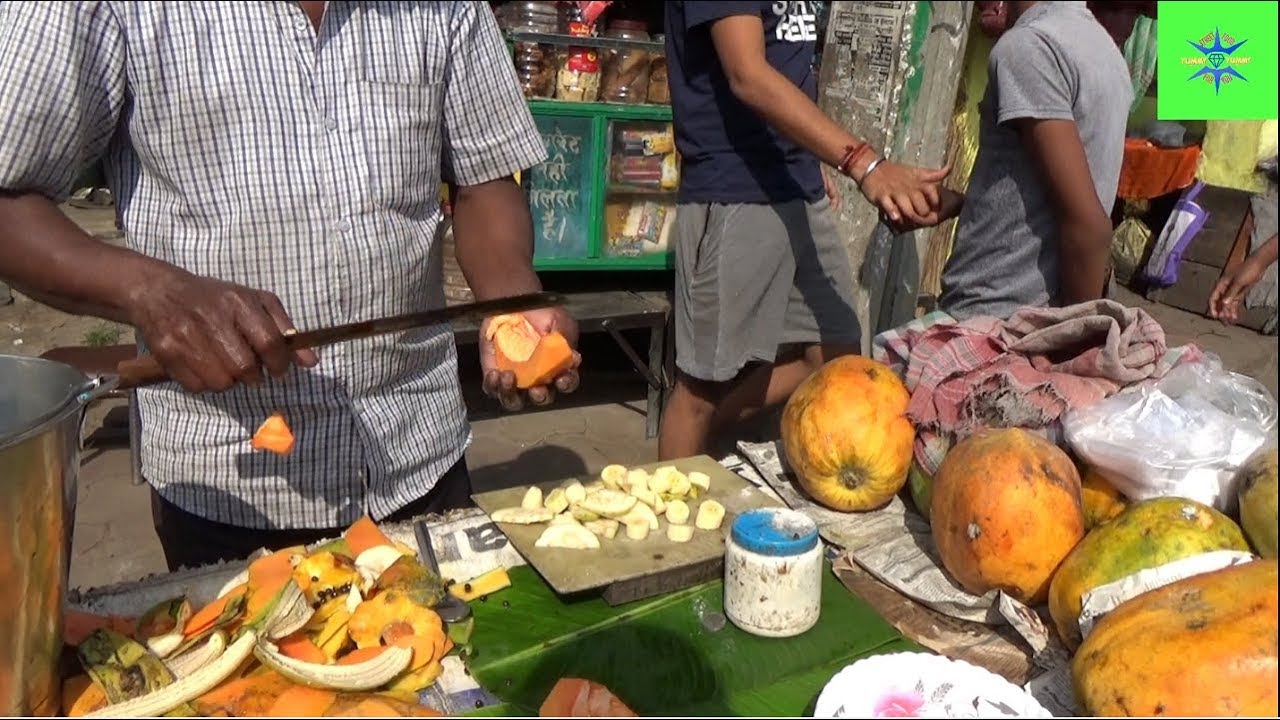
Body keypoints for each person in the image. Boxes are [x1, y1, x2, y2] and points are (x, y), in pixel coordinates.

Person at [0, 2, 579, 571]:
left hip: (419, 452)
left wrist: (518, 304)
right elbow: (9, 201)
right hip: (232, 479)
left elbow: (484, 181)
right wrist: (150, 291)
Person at [658, 0, 950, 460]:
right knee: (701, 389)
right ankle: (674, 513)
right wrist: (864, 163)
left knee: (835, 358)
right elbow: (747, 74)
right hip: (737, 189)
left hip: (795, 183)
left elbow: (786, 63)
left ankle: (711, 445)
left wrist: (808, 152)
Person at [931, 0, 1132, 320]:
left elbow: (1090, 227)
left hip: (996, 315)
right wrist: (965, 205)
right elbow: (1058, 191)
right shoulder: (1104, 50)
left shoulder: (1028, 46)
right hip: (1023, 312)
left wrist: (1071, 335)